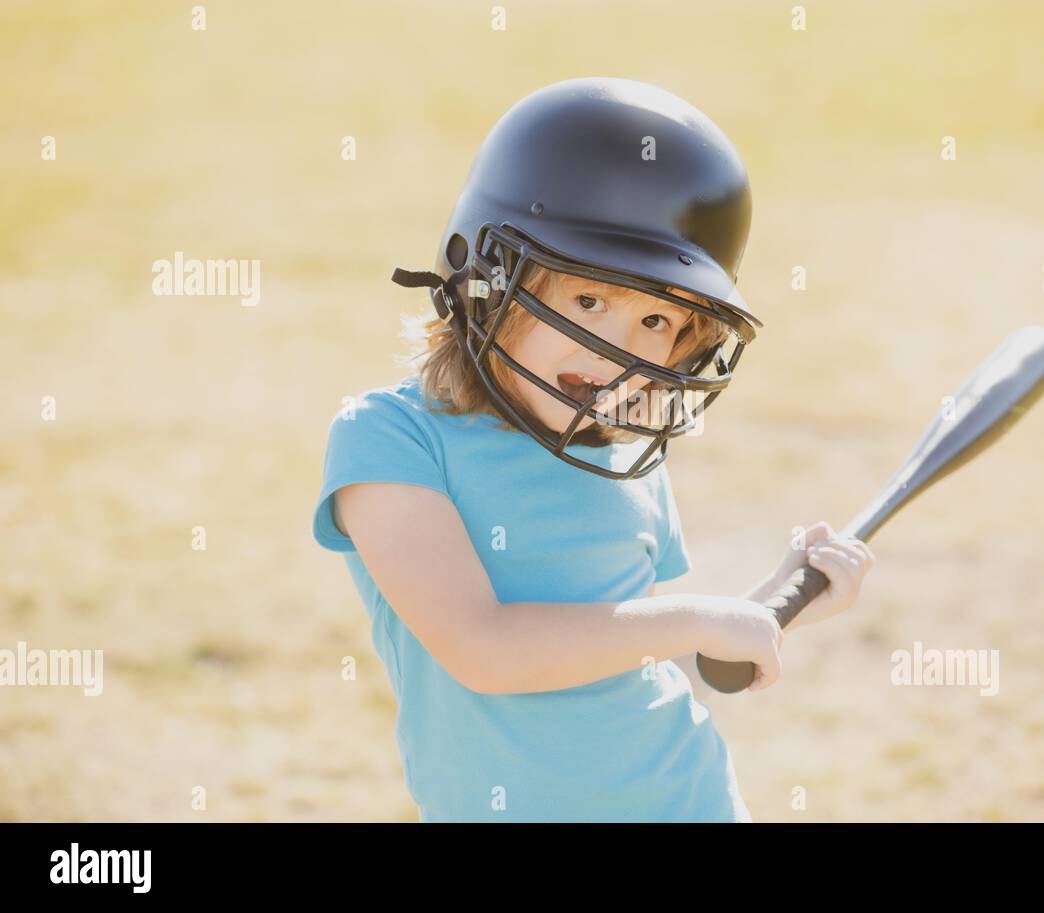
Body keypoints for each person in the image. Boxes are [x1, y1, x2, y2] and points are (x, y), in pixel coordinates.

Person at [312, 77, 874, 822]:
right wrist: (703, 618)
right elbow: (484, 649)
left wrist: (770, 606)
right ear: (488, 279)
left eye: (656, 321)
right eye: (586, 301)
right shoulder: (390, 437)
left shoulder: (620, 448)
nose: (617, 347)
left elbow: (623, 652)